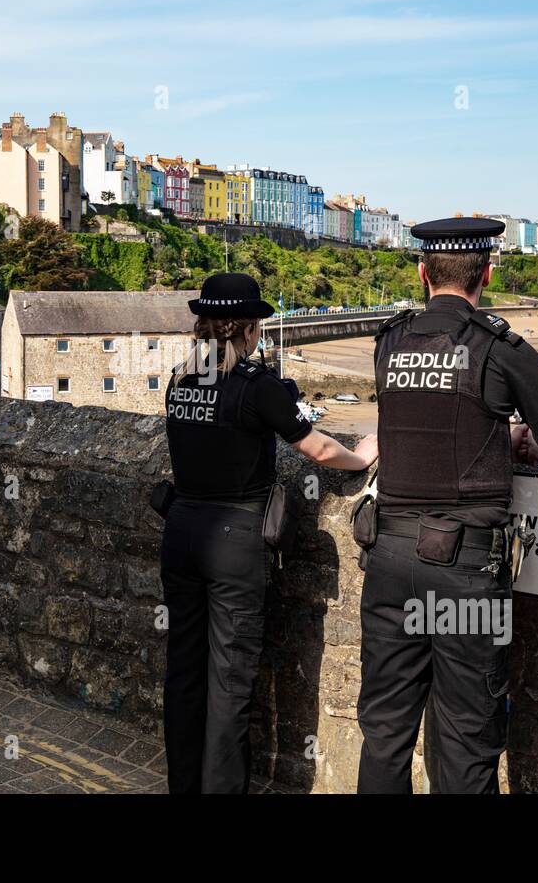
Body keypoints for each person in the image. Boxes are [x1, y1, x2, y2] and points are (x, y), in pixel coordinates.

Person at [355, 217, 538, 794]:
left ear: (422, 273)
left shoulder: (389, 341)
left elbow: (425, 427)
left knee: (384, 733)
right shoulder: (504, 349)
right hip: (464, 573)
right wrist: (522, 442)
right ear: (486, 273)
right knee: (466, 738)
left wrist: (490, 440)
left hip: (387, 558)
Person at [161, 272, 378, 794]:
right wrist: (364, 455)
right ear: (250, 329)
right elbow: (319, 449)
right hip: (234, 541)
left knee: (184, 675)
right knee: (230, 684)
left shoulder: (178, 380)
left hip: (182, 531)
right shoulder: (255, 387)